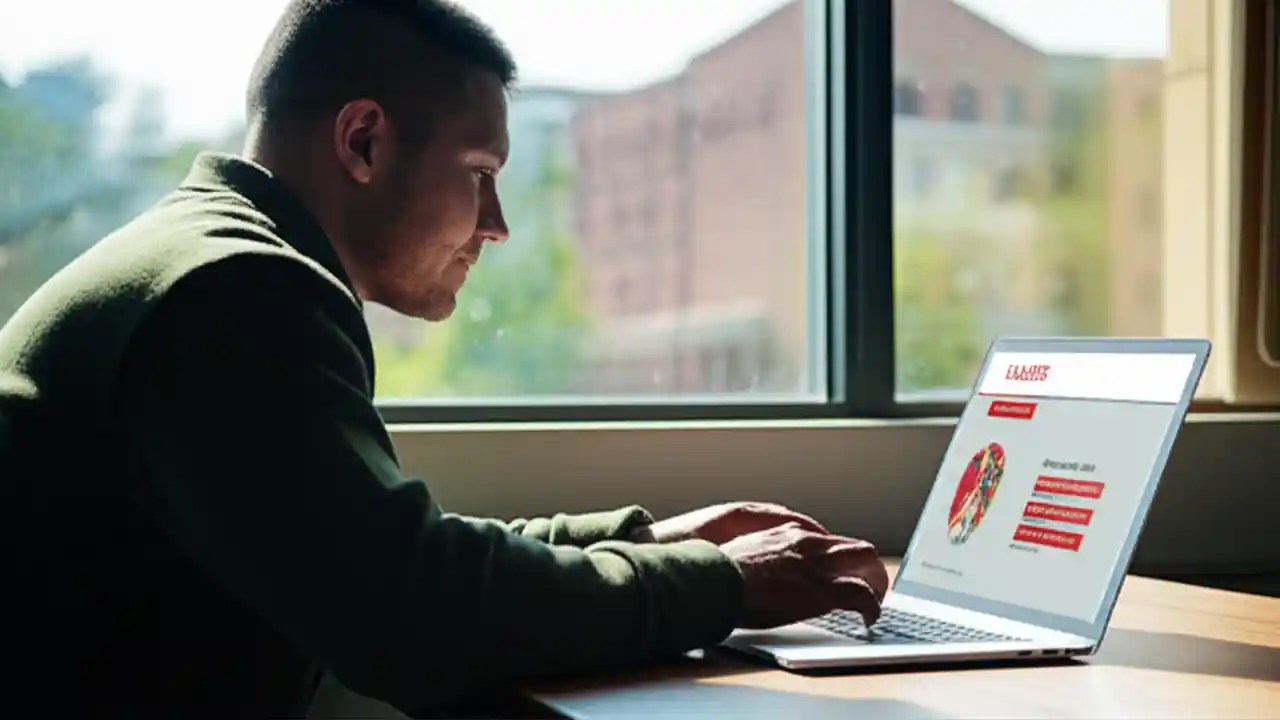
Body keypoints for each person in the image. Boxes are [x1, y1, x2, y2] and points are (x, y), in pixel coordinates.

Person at [0, 0, 889, 715]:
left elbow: (379, 552)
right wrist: (719, 584)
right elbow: (411, 615)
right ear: (363, 142)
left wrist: (643, 541)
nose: (496, 225)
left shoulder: (202, 260)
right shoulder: (234, 292)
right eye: (478, 172)